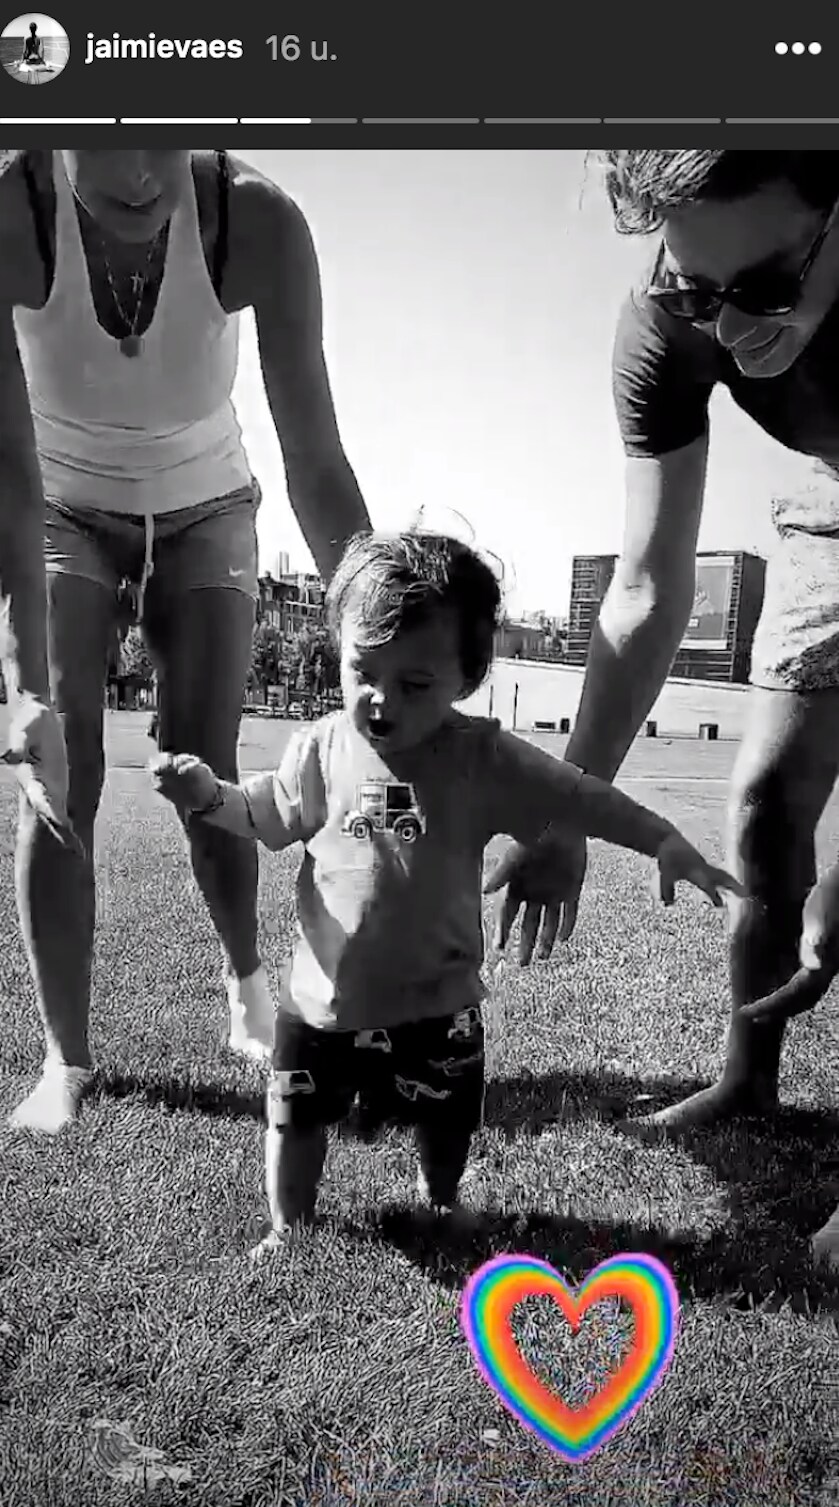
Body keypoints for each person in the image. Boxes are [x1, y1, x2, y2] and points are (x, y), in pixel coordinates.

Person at [151, 529, 740, 1254]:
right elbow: (266, 812)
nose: (379, 699)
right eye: (361, 669)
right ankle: (289, 1224)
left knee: (446, 1116)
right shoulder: (320, 747)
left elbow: (581, 795)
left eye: (414, 684)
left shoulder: (481, 757)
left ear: (465, 676)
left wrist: (663, 840)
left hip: (438, 1002)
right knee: (295, 1115)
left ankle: (437, 1197)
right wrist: (208, 794)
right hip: (322, 1001)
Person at [483, 150, 839, 1268]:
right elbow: (642, 589)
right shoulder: (661, 322)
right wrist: (561, 808)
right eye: (697, 291)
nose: (727, 330)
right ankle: (746, 1080)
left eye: (766, 288)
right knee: (765, 801)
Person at [0, 148, 370, 1133]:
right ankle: (65, 1059)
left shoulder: (256, 220)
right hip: (58, 505)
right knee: (60, 755)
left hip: (207, 502)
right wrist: (23, 685)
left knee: (201, 754)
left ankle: (245, 975)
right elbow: (8, 480)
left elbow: (317, 461)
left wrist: (381, 632)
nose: (137, 169)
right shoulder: (12, 211)